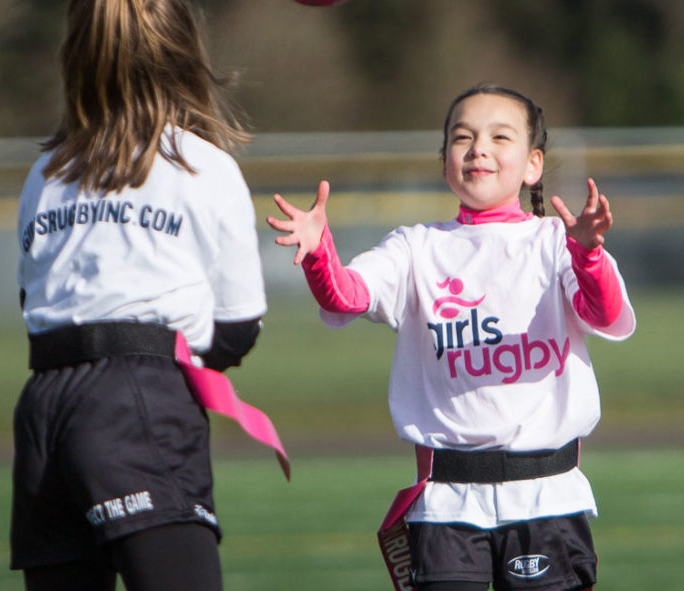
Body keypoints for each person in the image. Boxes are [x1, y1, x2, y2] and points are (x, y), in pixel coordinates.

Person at [267, 83, 635, 591]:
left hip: (548, 499)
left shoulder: (557, 243)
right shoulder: (416, 247)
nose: (478, 148)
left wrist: (589, 255)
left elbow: (604, 311)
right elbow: (347, 296)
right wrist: (318, 254)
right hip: (446, 503)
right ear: (445, 162)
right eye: (463, 137)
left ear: (533, 164)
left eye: (499, 137)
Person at [11, 0, 276, 591]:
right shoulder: (202, 164)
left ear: (77, 51)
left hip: (44, 408)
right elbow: (239, 325)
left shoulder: (44, 173)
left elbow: (33, 300)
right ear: (181, 47)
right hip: (140, 403)